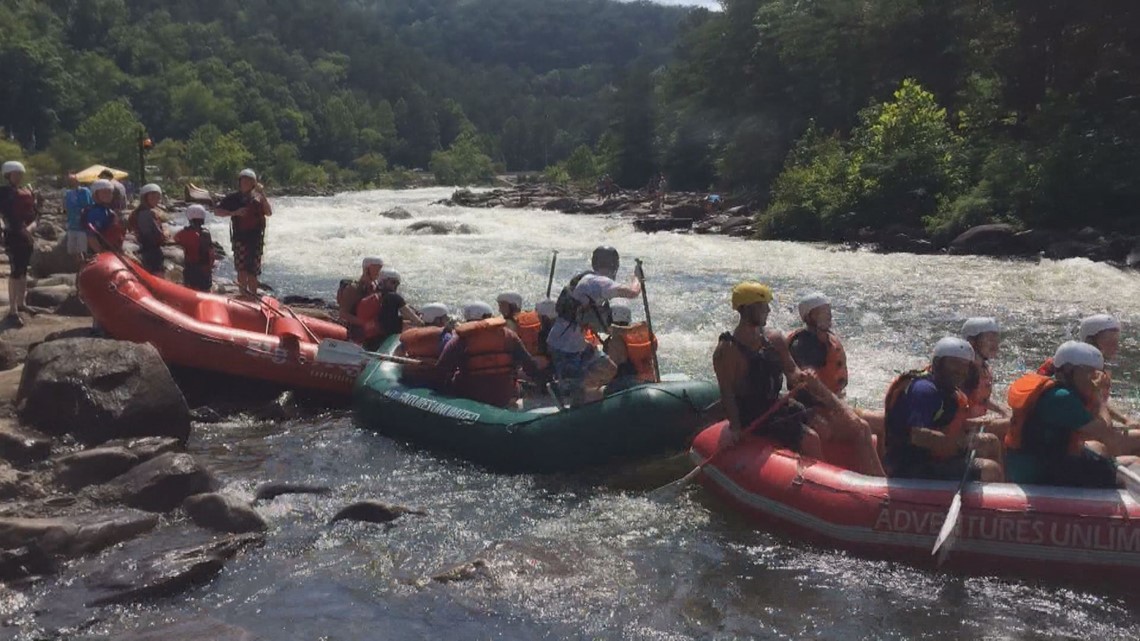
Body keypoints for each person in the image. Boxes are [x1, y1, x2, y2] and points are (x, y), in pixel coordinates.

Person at [1005, 341, 1140, 487]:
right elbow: (1104, 431)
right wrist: (1098, 394)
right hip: (1042, 472)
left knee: (1104, 451)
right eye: (1090, 372)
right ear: (1069, 370)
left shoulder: (1062, 391)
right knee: (1131, 466)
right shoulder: (1060, 397)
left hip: (1046, 462)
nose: (1094, 378)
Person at [883, 337, 1004, 482]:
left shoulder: (948, 389)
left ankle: (1004, 493)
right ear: (937, 363)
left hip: (938, 455)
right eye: (954, 364)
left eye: (964, 366)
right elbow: (918, 435)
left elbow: (944, 423)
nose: (960, 371)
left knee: (990, 442)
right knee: (990, 469)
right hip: (912, 466)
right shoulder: (924, 391)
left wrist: (970, 427)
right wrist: (961, 444)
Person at [546, 246, 642, 404]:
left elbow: (597, 322)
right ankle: (566, 391)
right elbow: (633, 292)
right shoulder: (597, 281)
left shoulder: (591, 281)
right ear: (614, 265)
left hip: (577, 344)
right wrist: (637, 276)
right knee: (576, 396)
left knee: (610, 367)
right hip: (564, 346)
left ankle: (580, 390)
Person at [434, 301, 546, 408]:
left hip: (471, 395)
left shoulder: (461, 339)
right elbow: (530, 366)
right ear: (489, 317)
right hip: (505, 396)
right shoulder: (509, 336)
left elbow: (442, 370)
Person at [215, 168, 272, 298]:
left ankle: (253, 296)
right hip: (240, 239)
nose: (245, 183)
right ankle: (242, 295)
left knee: (253, 271)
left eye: (248, 181)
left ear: (253, 183)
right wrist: (234, 213)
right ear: (239, 182)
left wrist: (263, 195)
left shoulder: (259, 198)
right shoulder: (233, 198)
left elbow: (268, 213)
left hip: (256, 240)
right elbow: (217, 211)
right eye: (243, 181)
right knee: (242, 270)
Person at [787, 293, 848, 397]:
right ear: (808, 317)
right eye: (822, 312)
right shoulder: (802, 345)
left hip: (834, 401)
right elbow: (807, 387)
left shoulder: (830, 339)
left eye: (828, 311)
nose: (828, 315)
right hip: (814, 406)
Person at [0, 161, 37, 326]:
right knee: (15, 271)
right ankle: (13, 309)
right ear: (8, 175)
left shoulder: (26, 191)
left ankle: (22, 303)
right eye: (15, 174)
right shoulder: (3, 192)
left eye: (20, 174)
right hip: (12, 233)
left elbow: (33, 215)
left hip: (25, 233)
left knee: (23, 270)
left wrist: (30, 229)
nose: (18, 176)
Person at [961, 317, 1009, 424]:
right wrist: (989, 421)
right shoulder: (963, 372)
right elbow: (959, 414)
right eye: (990, 339)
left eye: (996, 339)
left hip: (975, 424)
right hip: (964, 428)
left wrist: (1002, 411)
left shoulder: (985, 368)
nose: (995, 344)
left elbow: (982, 400)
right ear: (971, 342)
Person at [604, 303, 658, 387]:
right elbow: (644, 324)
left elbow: (612, 368)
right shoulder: (641, 332)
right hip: (650, 380)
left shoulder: (615, 341)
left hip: (629, 384)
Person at [337, 257, 384, 338]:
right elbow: (343, 314)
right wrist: (364, 323)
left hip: (372, 330)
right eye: (376, 269)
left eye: (380, 269)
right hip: (355, 330)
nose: (379, 272)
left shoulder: (376, 287)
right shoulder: (353, 288)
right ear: (366, 269)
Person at [173, 205, 216, 292]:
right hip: (205, 269)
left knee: (190, 290)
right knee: (205, 290)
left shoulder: (183, 233)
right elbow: (211, 252)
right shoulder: (206, 233)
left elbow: (175, 240)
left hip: (190, 268)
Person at [129, 183, 167, 275]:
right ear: (145, 198)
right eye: (152, 196)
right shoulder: (146, 214)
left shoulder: (143, 211)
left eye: (157, 197)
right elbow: (150, 236)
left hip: (148, 247)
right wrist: (165, 235)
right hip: (150, 250)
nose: (156, 199)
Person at [83, 179, 125, 253]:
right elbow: (91, 237)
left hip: (112, 248)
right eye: (104, 192)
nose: (108, 195)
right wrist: (101, 252)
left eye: (110, 192)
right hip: (101, 250)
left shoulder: (107, 210)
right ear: (95, 194)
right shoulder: (95, 212)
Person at [63, 174, 93, 266]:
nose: (71, 182)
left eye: (73, 180)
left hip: (82, 226)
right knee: (72, 250)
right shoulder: (68, 193)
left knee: (82, 250)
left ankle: (83, 267)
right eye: (69, 180)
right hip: (72, 225)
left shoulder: (84, 191)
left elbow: (89, 205)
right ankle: (78, 267)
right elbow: (65, 207)